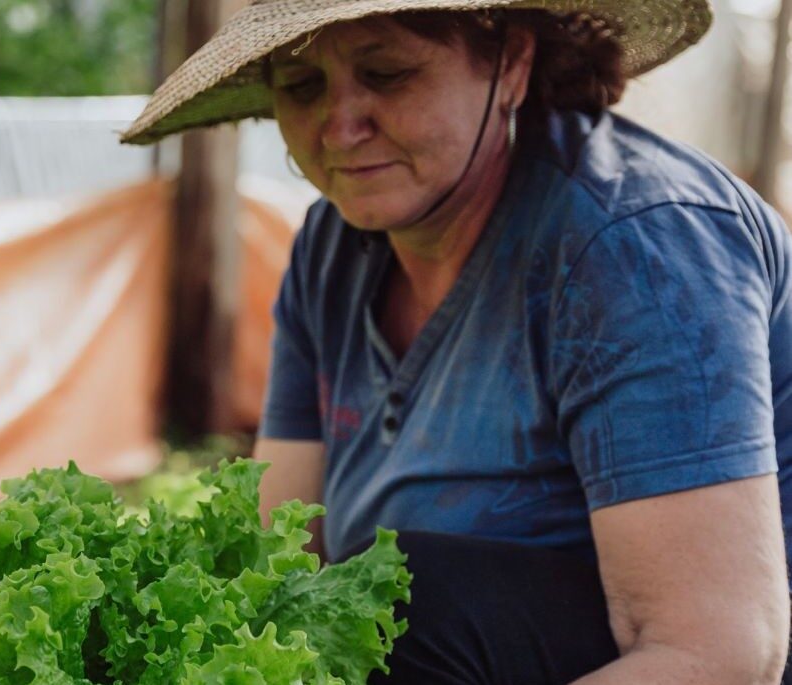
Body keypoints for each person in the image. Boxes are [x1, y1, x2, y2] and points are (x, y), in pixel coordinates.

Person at [122, 1, 792, 683]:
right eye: (300, 87)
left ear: (512, 64)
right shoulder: (331, 250)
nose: (339, 125)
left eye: (386, 73)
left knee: (411, 594)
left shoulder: (634, 243)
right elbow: (279, 561)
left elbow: (719, 655)